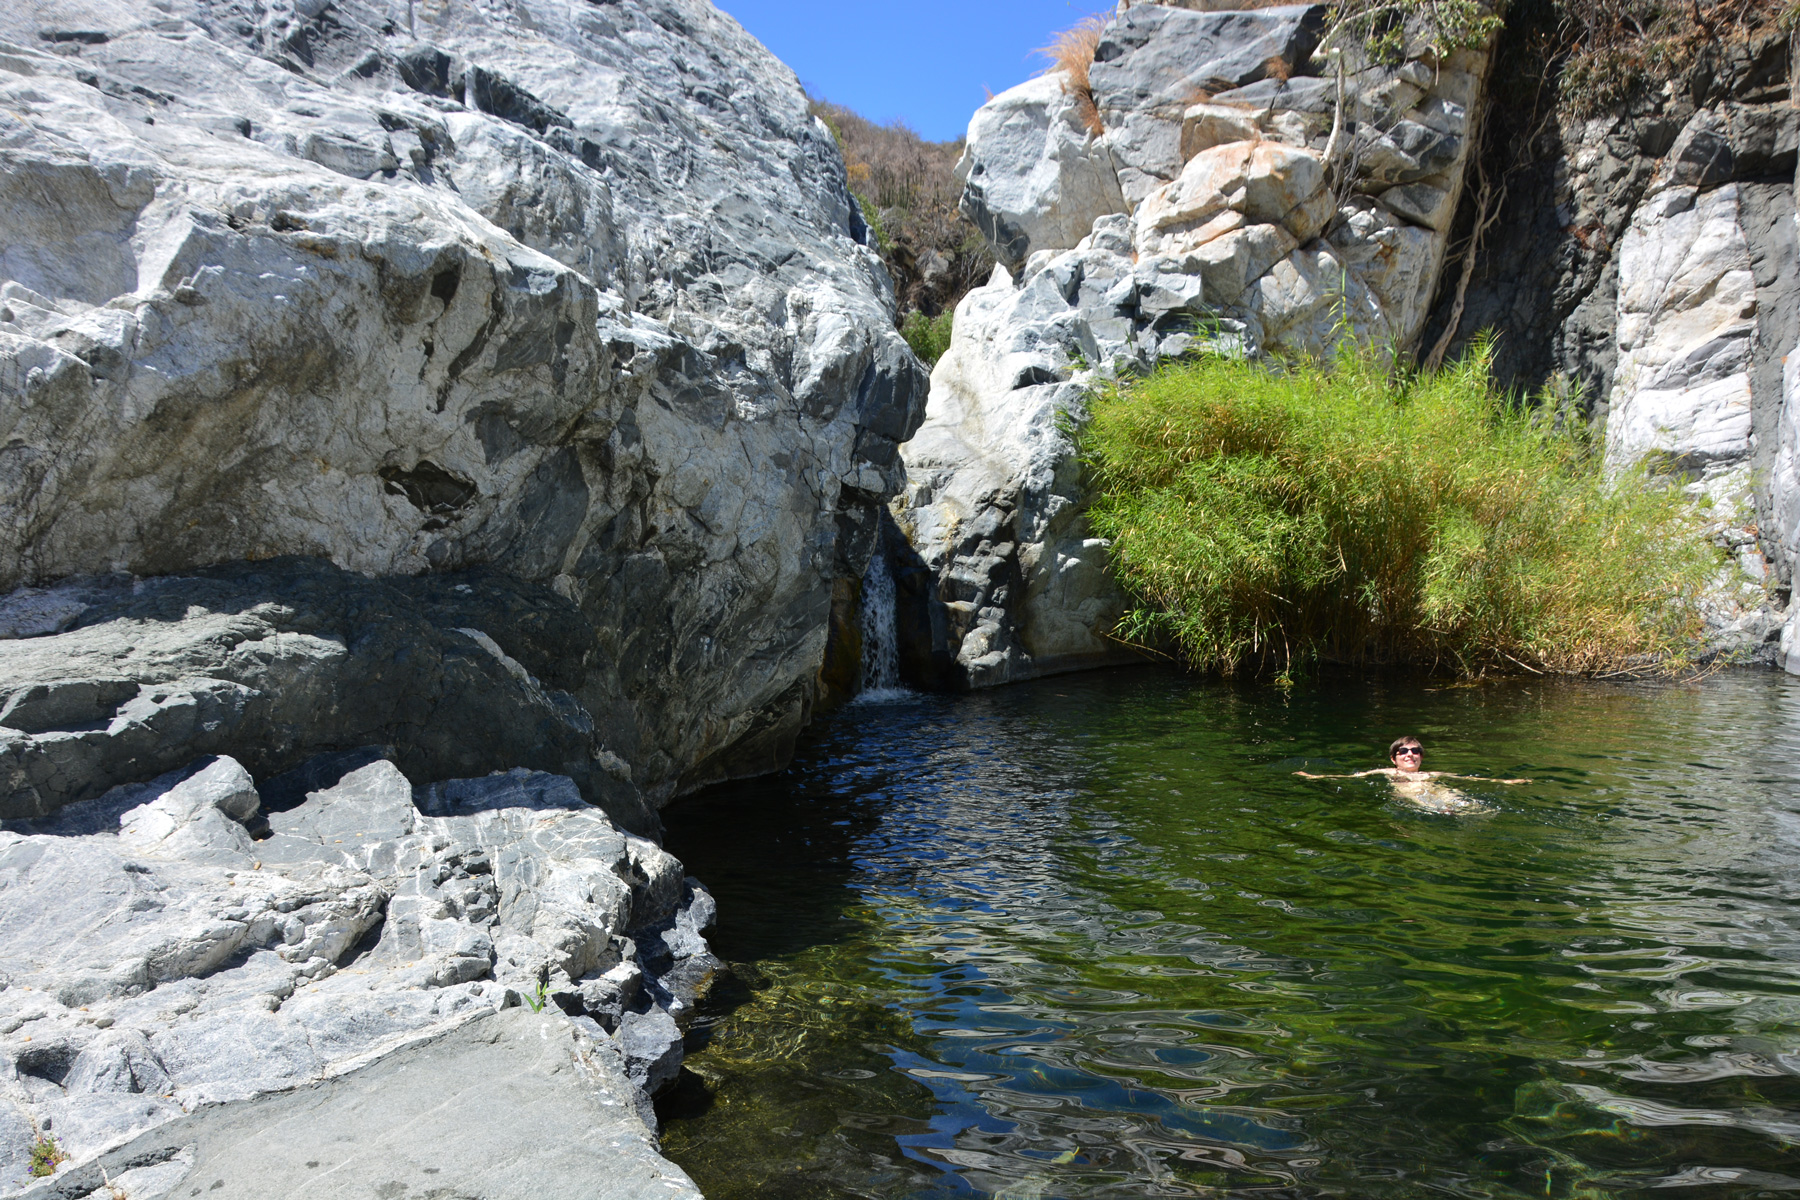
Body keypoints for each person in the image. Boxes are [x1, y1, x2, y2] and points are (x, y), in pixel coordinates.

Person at [1295, 736, 1528, 809]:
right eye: (1403, 751)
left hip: (1435, 789)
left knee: (1469, 805)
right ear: (1394, 758)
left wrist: (1507, 782)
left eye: (1415, 751)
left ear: (1421, 757)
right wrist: (1315, 777)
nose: (1409, 754)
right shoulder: (1386, 771)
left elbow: (1467, 779)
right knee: (1434, 806)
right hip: (1413, 796)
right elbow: (1353, 778)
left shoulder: (1432, 774)